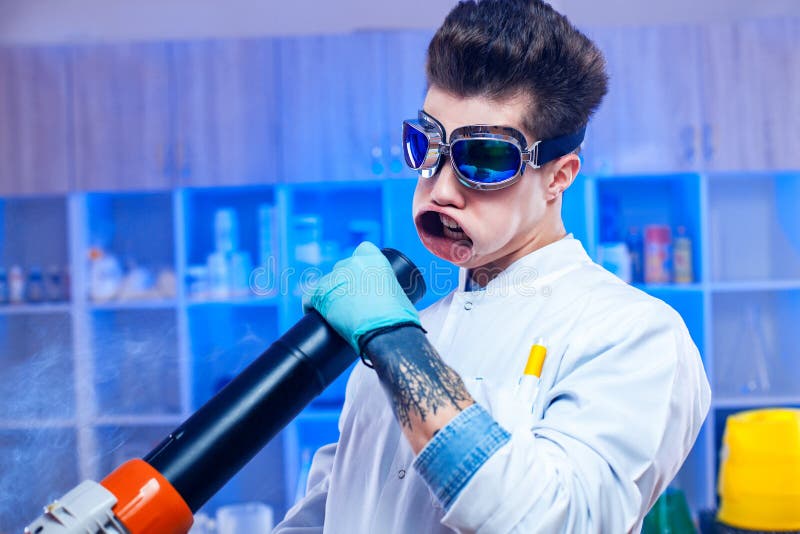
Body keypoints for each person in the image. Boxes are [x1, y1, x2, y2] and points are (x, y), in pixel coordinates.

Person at [274, 0, 711, 531]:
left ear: (558, 176)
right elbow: (332, 512)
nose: (439, 190)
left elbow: (556, 520)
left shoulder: (633, 335)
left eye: (483, 158)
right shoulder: (410, 331)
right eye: (426, 146)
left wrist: (395, 346)